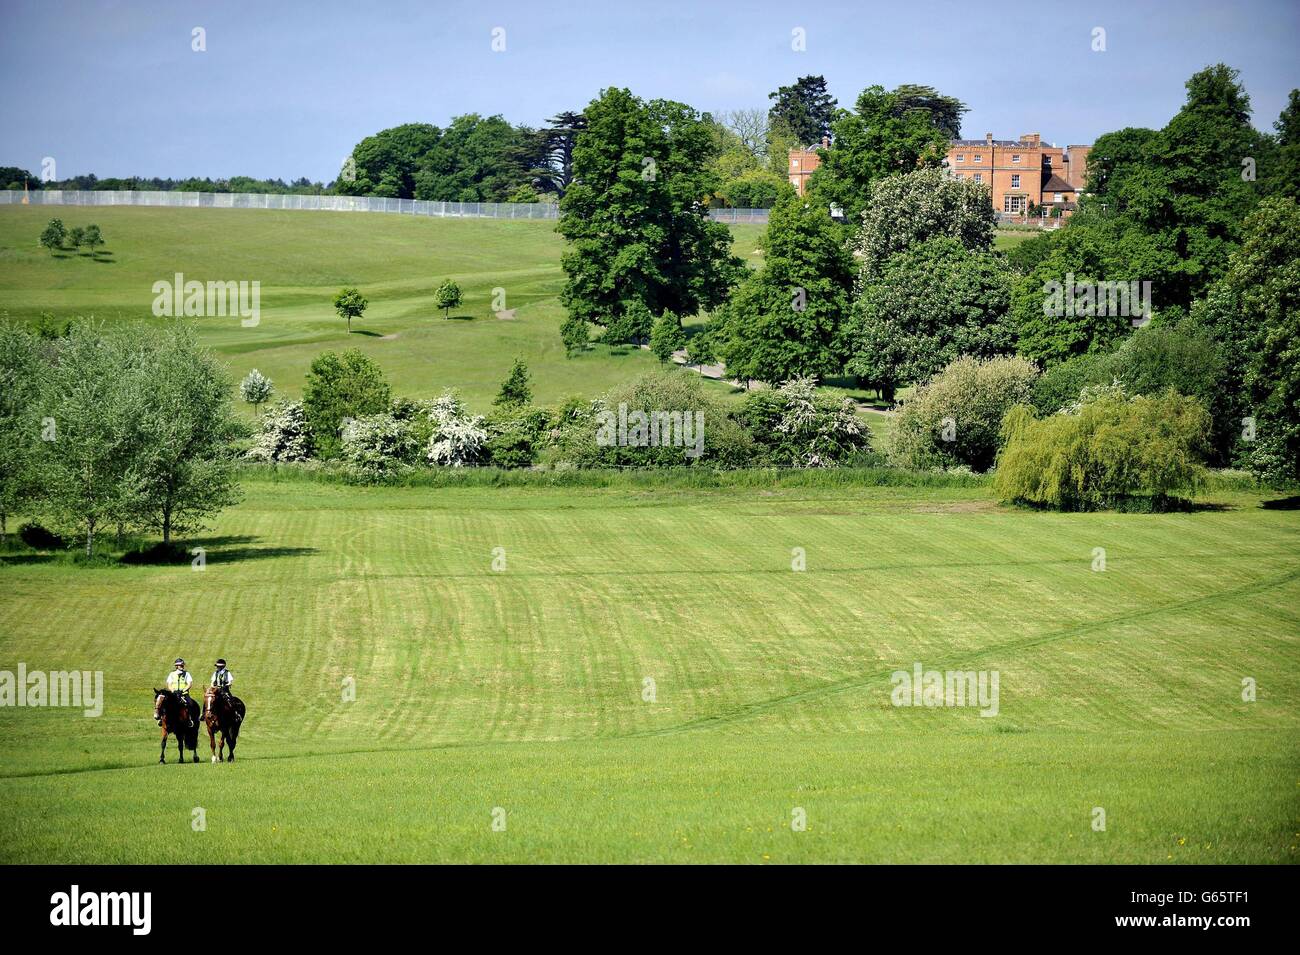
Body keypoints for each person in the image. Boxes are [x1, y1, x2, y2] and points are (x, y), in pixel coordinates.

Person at [165, 657, 197, 728]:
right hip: (174, 694)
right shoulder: (172, 674)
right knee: (165, 704)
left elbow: (189, 684)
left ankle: (190, 719)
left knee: (190, 704)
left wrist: (183, 690)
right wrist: (174, 691)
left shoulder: (187, 674)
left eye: (183, 665)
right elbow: (169, 684)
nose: (182, 666)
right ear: (176, 666)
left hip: (184, 694)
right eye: (181, 665)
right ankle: (162, 719)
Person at [209, 659, 243, 723]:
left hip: (224, 690)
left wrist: (226, 685)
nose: (217, 667)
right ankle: (203, 714)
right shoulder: (215, 673)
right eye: (217, 666)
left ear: (222, 667)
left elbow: (230, 682)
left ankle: (236, 714)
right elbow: (212, 682)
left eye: (218, 666)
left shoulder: (227, 673)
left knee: (230, 700)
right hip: (216, 690)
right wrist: (213, 686)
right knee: (208, 699)